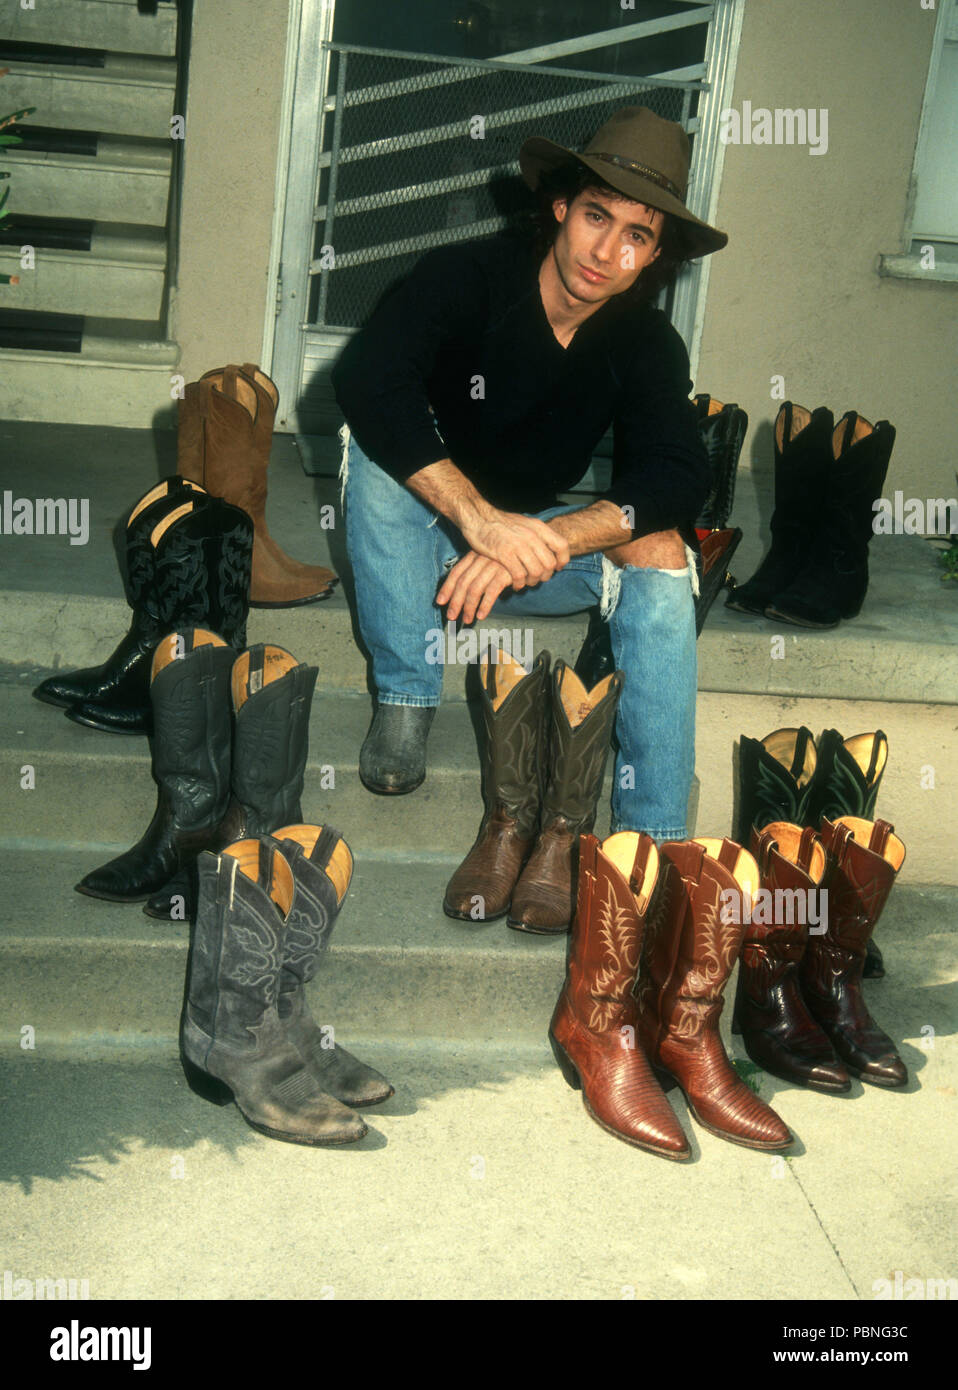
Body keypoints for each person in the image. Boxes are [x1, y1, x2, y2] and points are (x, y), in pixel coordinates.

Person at [332, 105, 727, 840]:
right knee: (377, 448)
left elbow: (677, 472)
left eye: (636, 236)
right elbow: (369, 379)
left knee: (663, 549)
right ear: (559, 210)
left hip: (525, 556)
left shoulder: (644, 340)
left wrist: (558, 537)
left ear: (654, 255)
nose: (606, 250)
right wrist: (479, 522)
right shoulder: (468, 275)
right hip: (421, 531)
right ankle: (406, 697)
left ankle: (656, 840)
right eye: (596, 217)